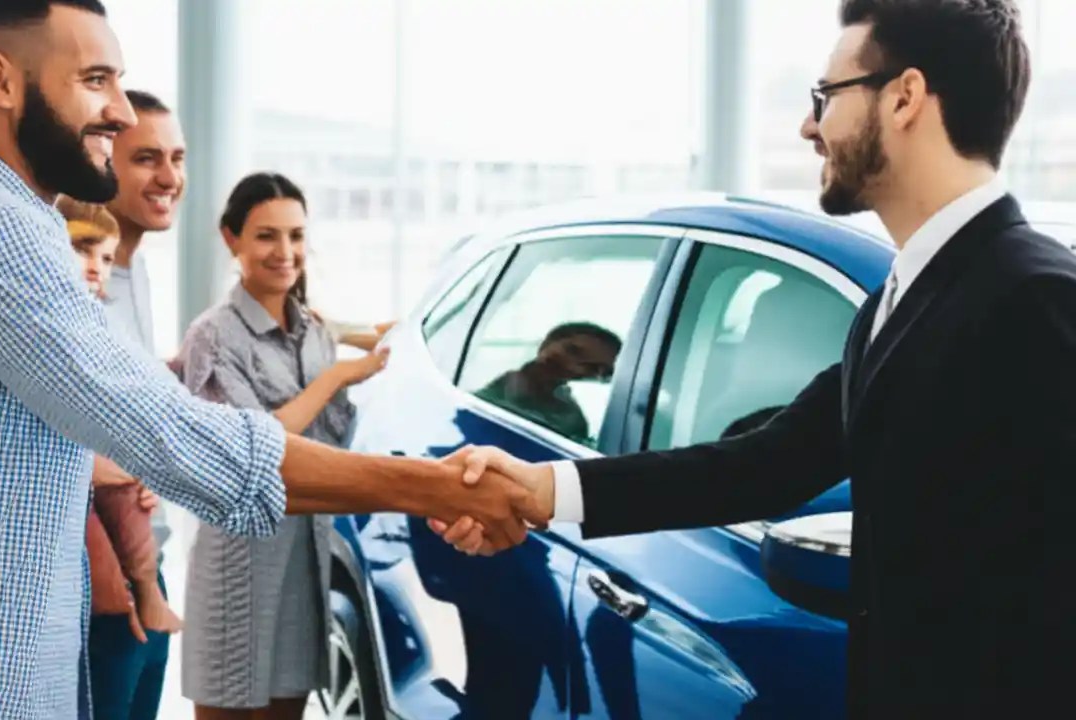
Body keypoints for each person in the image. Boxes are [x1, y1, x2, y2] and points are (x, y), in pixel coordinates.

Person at [0, 2, 539, 719]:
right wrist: (434, 488)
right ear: (0, 80)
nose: (119, 112)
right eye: (95, 79)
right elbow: (185, 440)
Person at [440, 1, 1076, 717]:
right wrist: (540, 489)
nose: (810, 126)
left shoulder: (1037, 298)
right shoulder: (902, 300)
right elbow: (767, 466)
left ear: (905, 97)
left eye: (825, 97)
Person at [177, 172, 385, 720]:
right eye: (267, 235)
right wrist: (335, 378)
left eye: (296, 236)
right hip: (241, 564)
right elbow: (253, 445)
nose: (285, 252)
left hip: (306, 559)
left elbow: (389, 336)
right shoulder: (213, 335)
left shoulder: (315, 330)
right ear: (232, 239)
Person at [86, 88, 186, 720]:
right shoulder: (77, 278)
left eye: (177, 156)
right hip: (102, 575)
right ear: (102, 161)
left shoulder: (132, 270)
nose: (169, 176)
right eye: (147, 158)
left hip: (148, 555)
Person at [58, 195, 182, 647]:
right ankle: (137, 599)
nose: (95, 267)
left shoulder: (100, 321)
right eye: (81, 250)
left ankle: (144, 594)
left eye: (106, 257)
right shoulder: (44, 326)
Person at [474, 322, 621, 446]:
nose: (576, 366)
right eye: (573, 351)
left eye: (596, 369)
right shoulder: (485, 400)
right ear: (546, 343)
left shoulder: (572, 419)